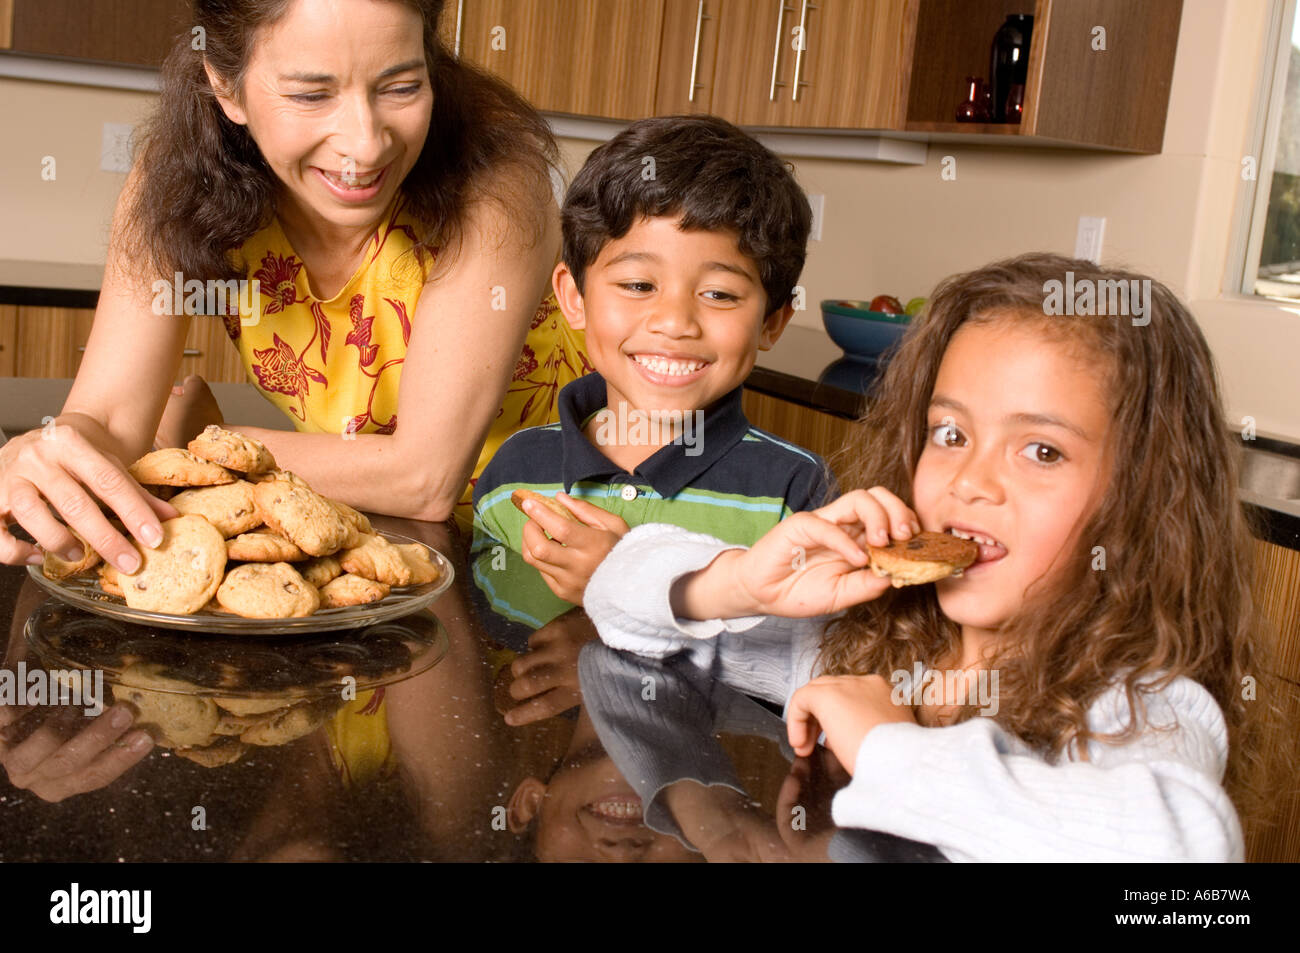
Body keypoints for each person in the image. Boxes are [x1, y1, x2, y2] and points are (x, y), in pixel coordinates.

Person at [583, 253, 1272, 862]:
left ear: (1140, 500)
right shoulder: (858, 637)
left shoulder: (1140, 704)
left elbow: (1185, 852)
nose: (970, 480)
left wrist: (888, 745)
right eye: (949, 432)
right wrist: (742, 582)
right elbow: (618, 595)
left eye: (1041, 450)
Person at [0, 0, 586, 576]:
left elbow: (425, 479)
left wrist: (205, 445)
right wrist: (50, 452)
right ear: (225, 87)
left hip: (568, 545)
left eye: (401, 87)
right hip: (367, 544)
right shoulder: (176, 180)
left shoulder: (499, 185)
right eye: (311, 95)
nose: (366, 144)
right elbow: (106, 423)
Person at [472, 115, 832, 611]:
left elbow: (802, 665)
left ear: (771, 322)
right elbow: (490, 627)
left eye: (720, 293)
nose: (675, 322)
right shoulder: (514, 471)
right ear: (574, 298)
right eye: (639, 285)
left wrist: (628, 581)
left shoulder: (797, 496)